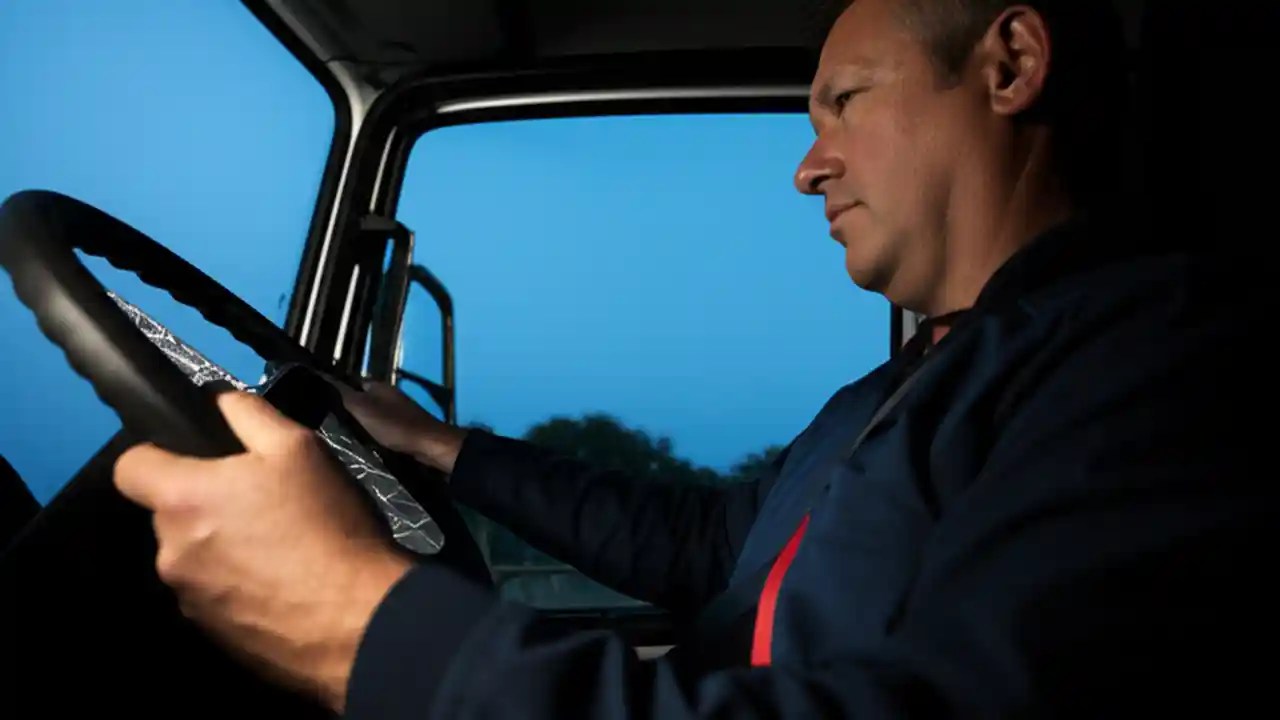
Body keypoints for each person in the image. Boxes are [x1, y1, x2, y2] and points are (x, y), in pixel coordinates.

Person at [112, 0, 1275, 716]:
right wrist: (433, 444)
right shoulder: (896, 385)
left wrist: (361, 629)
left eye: (844, 103)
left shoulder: (1158, 364)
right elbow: (707, 545)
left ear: (1010, 63)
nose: (804, 168)